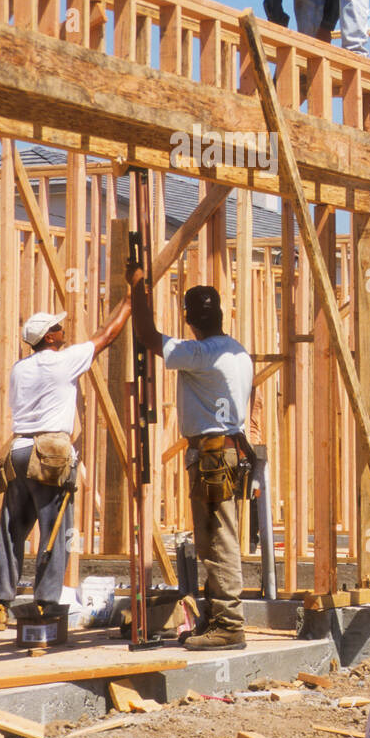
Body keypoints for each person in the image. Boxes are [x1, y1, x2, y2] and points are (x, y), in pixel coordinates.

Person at [126, 264, 255, 650]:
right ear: (220, 316)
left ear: (189, 319)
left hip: (214, 456)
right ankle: (214, 618)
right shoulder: (237, 352)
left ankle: (229, 625)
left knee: (217, 541)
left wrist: (137, 287)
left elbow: (147, 336)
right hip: (227, 452)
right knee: (214, 539)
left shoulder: (201, 353)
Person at [0, 298, 131, 630]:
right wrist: (128, 302)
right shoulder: (62, 362)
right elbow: (106, 335)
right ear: (49, 337)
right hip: (49, 453)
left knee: (11, 530)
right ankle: (45, 603)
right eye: (57, 327)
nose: (62, 329)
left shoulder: (20, 368)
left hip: (19, 451)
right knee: (55, 530)